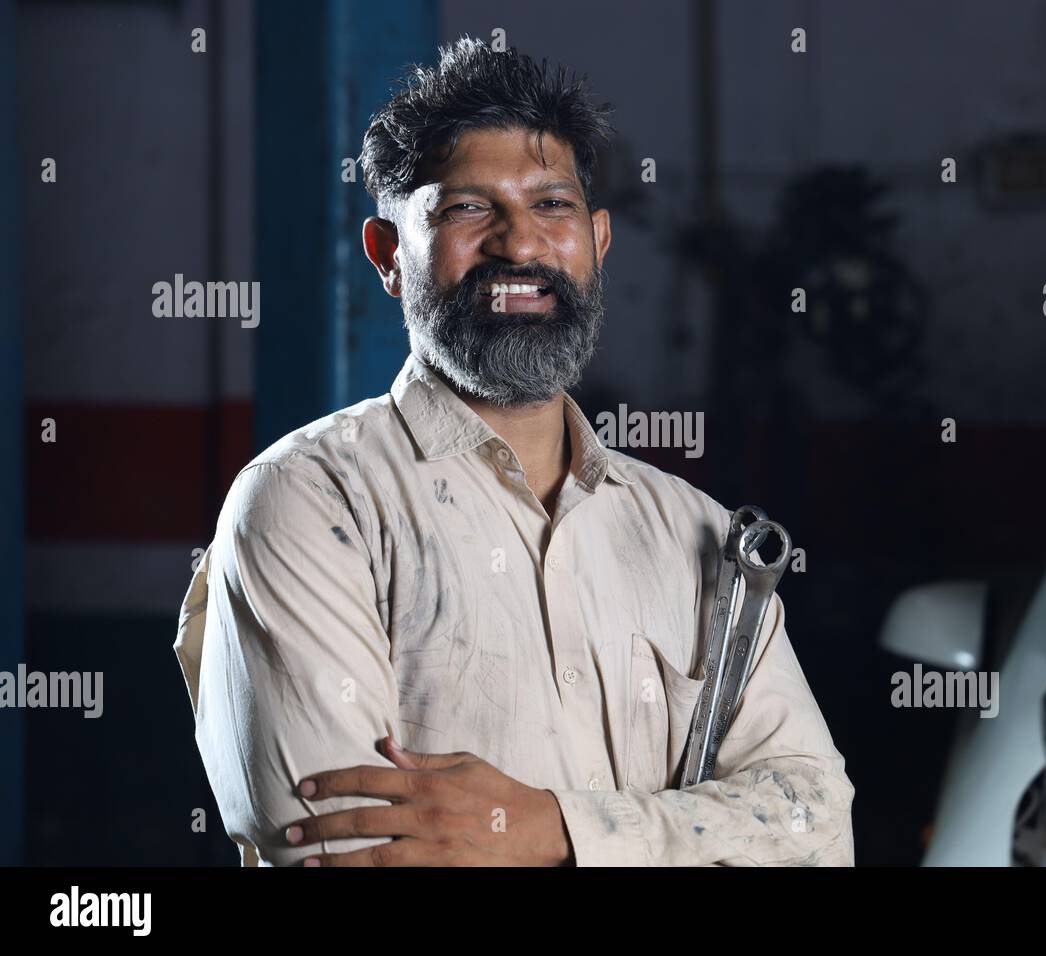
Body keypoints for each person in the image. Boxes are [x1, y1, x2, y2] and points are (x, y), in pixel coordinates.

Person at [174, 36, 854, 867]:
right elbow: (355, 851)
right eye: (467, 209)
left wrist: (554, 829)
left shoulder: (695, 531)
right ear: (388, 256)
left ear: (598, 241)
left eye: (552, 206)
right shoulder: (310, 505)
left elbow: (814, 821)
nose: (520, 246)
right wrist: (684, 833)